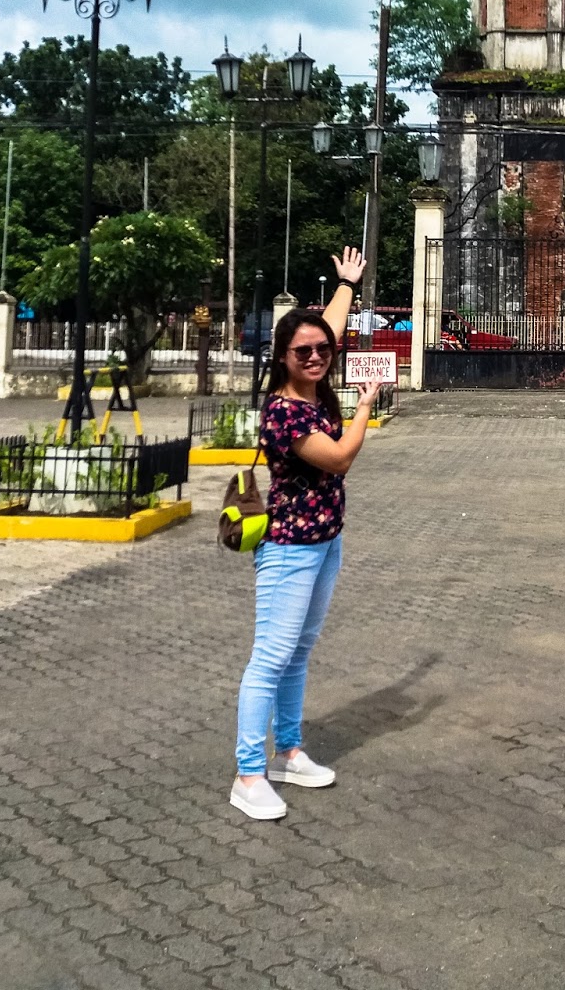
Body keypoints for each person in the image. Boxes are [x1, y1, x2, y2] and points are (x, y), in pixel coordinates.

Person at [230, 246, 384, 821]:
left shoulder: (315, 383)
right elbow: (340, 458)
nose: (318, 355)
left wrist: (347, 285)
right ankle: (248, 773)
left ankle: (288, 751)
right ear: (283, 358)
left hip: (325, 542)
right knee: (270, 657)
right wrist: (366, 405)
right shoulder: (284, 413)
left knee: (299, 653)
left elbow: (328, 328)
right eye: (304, 351)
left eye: (323, 349)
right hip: (289, 550)